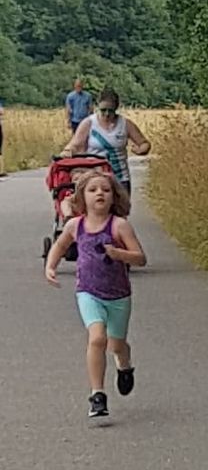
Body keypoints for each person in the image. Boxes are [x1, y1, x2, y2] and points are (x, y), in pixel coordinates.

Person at [46, 160, 145, 421]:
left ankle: (124, 367)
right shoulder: (74, 226)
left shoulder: (119, 226)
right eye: (93, 190)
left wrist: (120, 253)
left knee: (117, 344)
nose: (100, 193)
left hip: (119, 295)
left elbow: (140, 258)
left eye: (106, 190)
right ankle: (97, 394)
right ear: (81, 198)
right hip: (88, 292)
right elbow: (59, 246)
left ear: (114, 197)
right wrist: (50, 267)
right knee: (97, 338)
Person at [64, 90, 151, 217]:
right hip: (95, 176)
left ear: (116, 108)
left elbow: (144, 143)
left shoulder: (125, 124)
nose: (106, 114)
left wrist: (141, 150)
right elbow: (75, 144)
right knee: (95, 214)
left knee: (120, 215)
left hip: (120, 177)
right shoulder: (89, 123)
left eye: (110, 111)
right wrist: (67, 152)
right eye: (103, 110)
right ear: (98, 106)